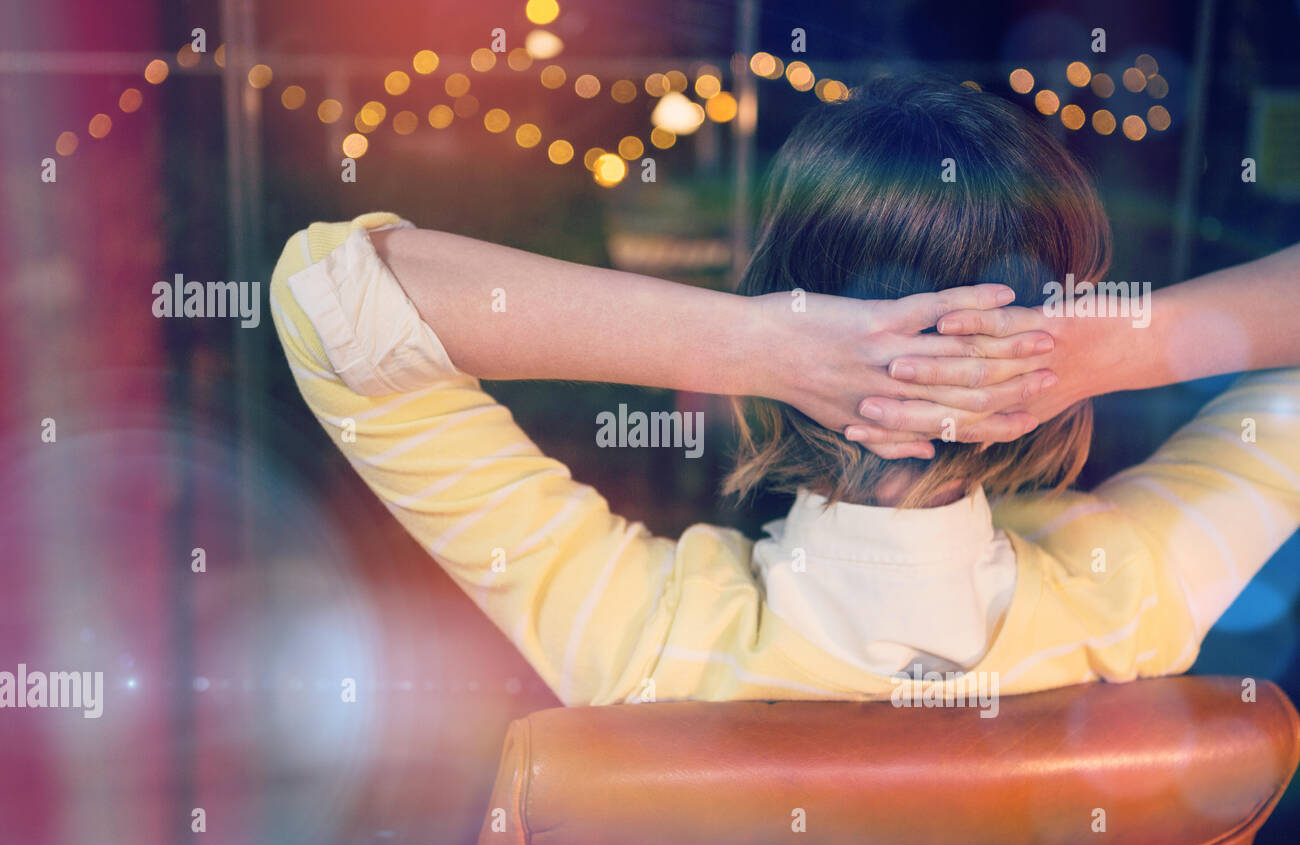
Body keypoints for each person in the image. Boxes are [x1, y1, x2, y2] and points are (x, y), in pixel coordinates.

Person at [268, 76, 1300, 705]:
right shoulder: (1133, 597)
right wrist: (1109, 346)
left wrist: (748, 343)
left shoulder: (642, 640)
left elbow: (329, 296)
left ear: (779, 298)